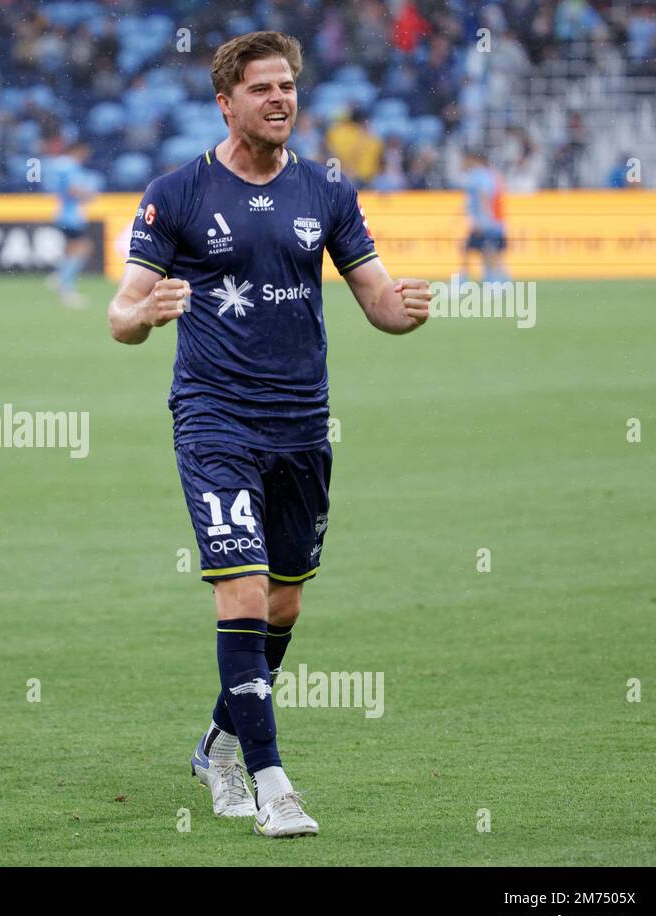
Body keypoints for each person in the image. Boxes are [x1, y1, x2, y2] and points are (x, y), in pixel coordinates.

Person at [107, 31, 430, 838]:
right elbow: (122, 312)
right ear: (227, 101)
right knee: (243, 590)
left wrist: (405, 309)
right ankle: (271, 782)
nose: (281, 99)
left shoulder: (326, 188)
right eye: (263, 88)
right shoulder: (177, 192)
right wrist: (141, 315)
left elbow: (378, 300)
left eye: (289, 86)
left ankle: (218, 742)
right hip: (215, 418)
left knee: (281, 605)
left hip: (302, 426)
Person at [45, 140, 97, 308]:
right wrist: (88, 195)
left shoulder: (58, 164)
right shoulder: (70, 165)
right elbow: (72, 189)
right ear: (79, 150)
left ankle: (59, 277)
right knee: (83, 248)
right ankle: (65, 286)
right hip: (71, 216)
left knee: (71, 249)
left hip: (62, 213)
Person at [461, 150, 508, 282]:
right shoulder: (491, 175)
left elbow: (483, 197)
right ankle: (499, 279)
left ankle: (493, 280)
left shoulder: (478, 176)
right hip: (494, 220)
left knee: (486, 251)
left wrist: (482, 221)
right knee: (490, 252)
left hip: (486, 222)